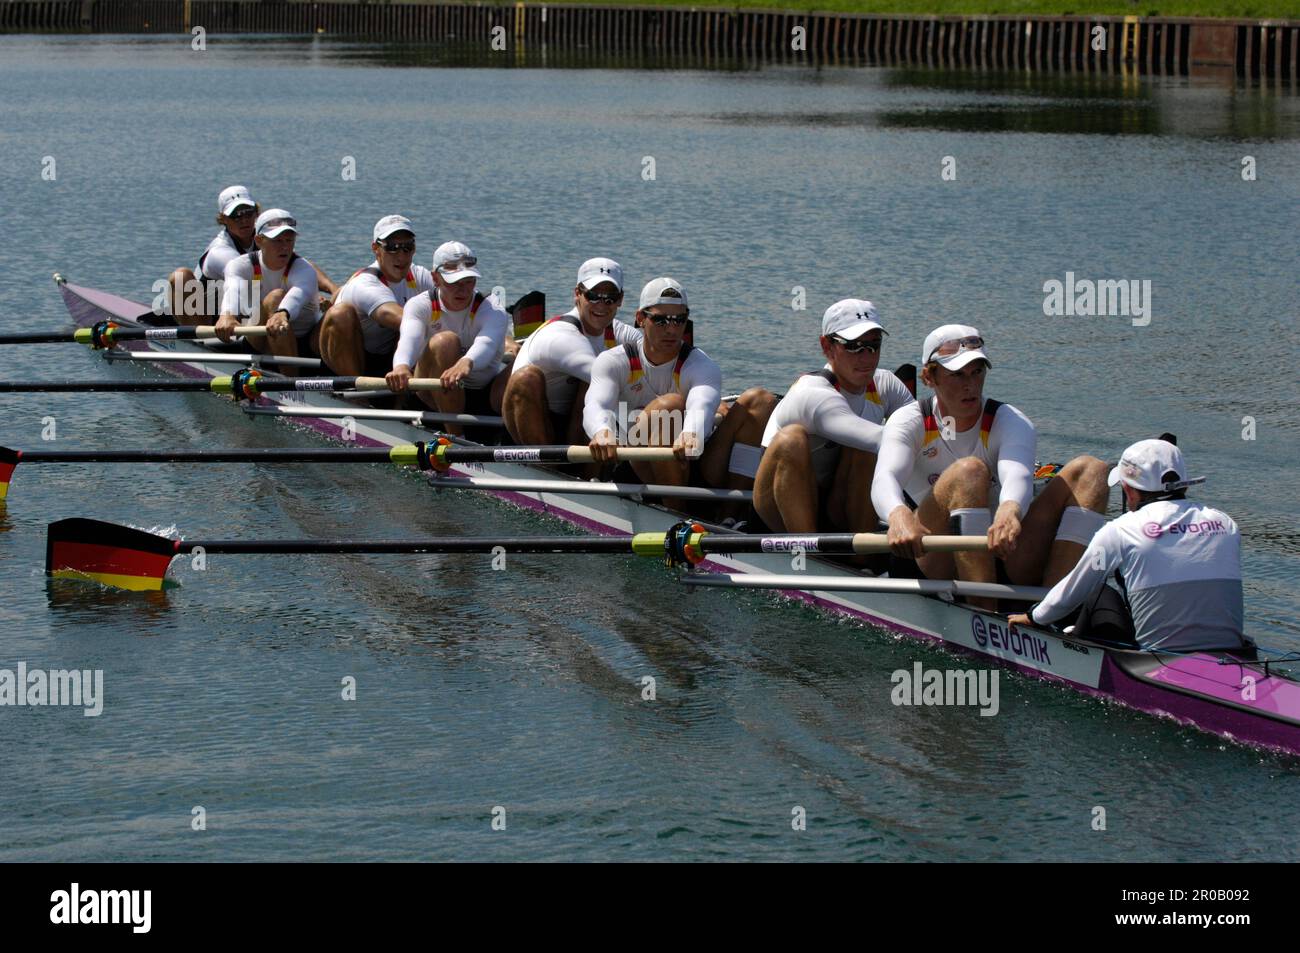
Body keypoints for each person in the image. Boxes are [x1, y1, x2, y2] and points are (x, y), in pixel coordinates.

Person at [872, 325, 1110, 606]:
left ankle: (1053, 609)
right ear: (929, 376)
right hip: (931, 556)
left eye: (977, 372)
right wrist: (898, 515)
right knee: (969, 471)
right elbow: (885, 478)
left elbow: (1018, 476)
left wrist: (1010, 511)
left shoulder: (1010, 420)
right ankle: (983, 609)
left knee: (1093, 471)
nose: (970, 385)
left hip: (1002, 548)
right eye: (957, 374)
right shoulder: (909, 421)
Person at [1008, 439, 1247, 653]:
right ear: (1183, 485)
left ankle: (1074, 653)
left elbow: (1070, 593)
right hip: (1234, 652)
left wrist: (1033, 617)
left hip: (1157, 659)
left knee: (1097, 591)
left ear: (1128, 489)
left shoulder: (1120, 530)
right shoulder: (1225, 523)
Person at [754, 299, 913, 533]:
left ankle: (863, 565)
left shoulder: (885, 383)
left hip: (833, 504)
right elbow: (885, 440)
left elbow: (925, 436)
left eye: (873, 345)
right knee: (792, 438)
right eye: (853, 346)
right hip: (776, 514)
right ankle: (808, 556)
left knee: (866, 449)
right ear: (826, 346)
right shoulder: (812, 393)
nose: (866, 357)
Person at [504, 258, 641, 445]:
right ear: (577, 293)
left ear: (621, 300)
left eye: (610, 298)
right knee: (599, 379)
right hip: (532, 422)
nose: (602, 305)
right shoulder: (561, 336)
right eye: (593, 295)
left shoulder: (619, 332)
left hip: (573, 424)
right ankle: (548, 468)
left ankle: (590, 469)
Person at [387, 241, 512, 433]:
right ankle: (456, 436)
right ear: (435, 278)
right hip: (431, 394)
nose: (462, 289)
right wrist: (401, 366)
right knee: (446, 342)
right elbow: (409, 339)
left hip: (481, 394)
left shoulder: (492, 308)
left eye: (468, 281)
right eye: (454, 282)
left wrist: (467, 362)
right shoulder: (419, 305)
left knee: (528, 364)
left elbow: (487, 343)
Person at [318, 215, 433, 376]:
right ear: (376, 249)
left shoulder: (418, 276)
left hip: (386, 359)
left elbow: (455, 296)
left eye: (407, 247)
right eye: (392, 247)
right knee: (341, 314)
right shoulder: (365, 283)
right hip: (345, 358)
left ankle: (403, 399)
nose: (401, 256)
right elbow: (397, 317)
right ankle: (358, 397)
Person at [214, 209, 323, 368]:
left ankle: (292, 385)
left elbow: (298, 295)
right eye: (277, 241)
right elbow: (233, 289)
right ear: (259, 240)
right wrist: (227, 316)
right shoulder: (239, 266)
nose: (285, 247)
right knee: (274, 298)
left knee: (276, 298)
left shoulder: (304, 269)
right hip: (259, 340)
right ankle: (288, 386)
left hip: (304, 343)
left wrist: (283, 313)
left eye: (289, 240)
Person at [168, 185, 258, 325]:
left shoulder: (268, 239)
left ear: (256, 213)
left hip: (241, 311)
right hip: (206, 319)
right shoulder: (219, 250)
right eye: (236, 215)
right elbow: (245, 276)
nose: (244, 220)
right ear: (223, 219)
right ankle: (193, 337)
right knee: (180, 276)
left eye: (248, 213)